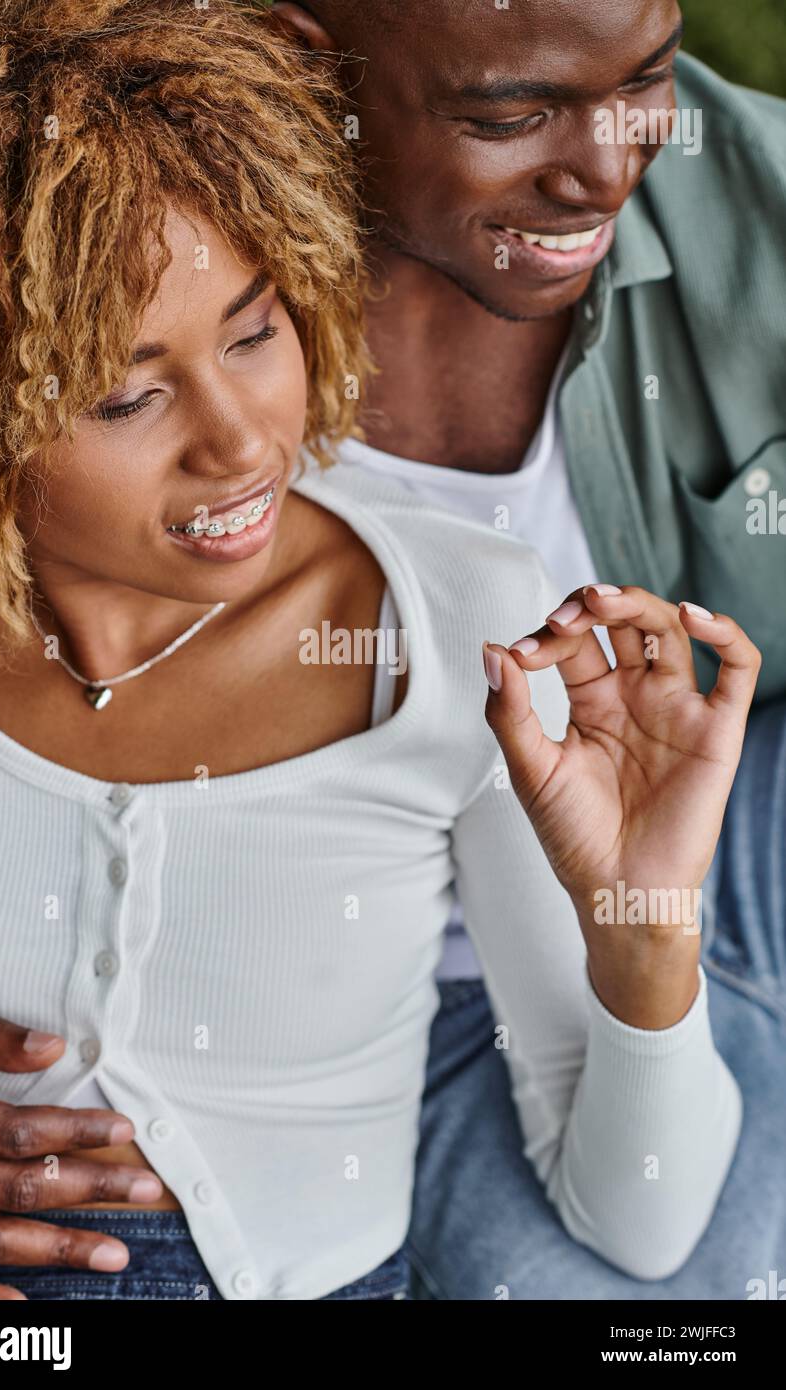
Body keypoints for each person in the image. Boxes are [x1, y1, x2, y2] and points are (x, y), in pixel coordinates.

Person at [0, 0, 761, 1302]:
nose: (243, 442)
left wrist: (641, 927)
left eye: (255, 331)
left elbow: (640, 1225)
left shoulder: (460, 618)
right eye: (122, 394)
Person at [268, 0, 786, 1298]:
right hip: (386, 997)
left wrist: (653, 929)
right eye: (511, 115)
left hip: (714, 851)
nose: (609, 167)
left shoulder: (754, 205)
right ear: (297, 59)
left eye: (647, 79)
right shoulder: (76, 293)